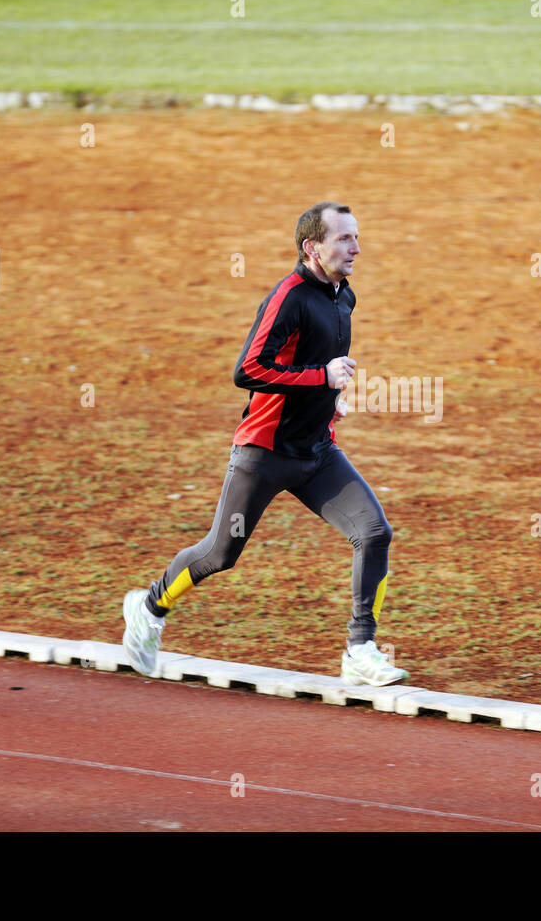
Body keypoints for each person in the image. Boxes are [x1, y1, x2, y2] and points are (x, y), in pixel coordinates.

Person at [122, 202, 407, 686]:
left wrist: (331, 398)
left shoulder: (344, 296)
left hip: (317, 453)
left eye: (357, 238)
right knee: (220, 554)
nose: (356, 248)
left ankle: (360, 650)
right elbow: (247, 371)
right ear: (311, 247)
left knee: (374, 532)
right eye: (344, 239)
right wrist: (322, 377)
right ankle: (148, 609)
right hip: (263, 455)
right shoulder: (289, 297)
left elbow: (321, 364)